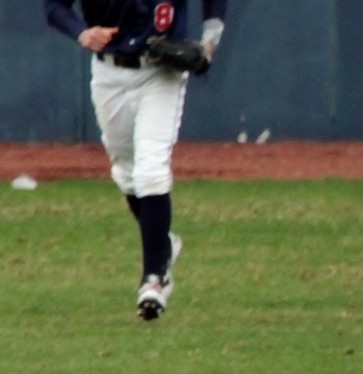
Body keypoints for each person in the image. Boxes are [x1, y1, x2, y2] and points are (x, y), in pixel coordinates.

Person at [45, 0, 229, 321]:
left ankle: (154, 279)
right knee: (127, 175)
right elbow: (53, 7)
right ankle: (164, 246)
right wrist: (81, 33)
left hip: (161, 72)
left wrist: (210, 41)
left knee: (151, 171)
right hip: (108, 71)